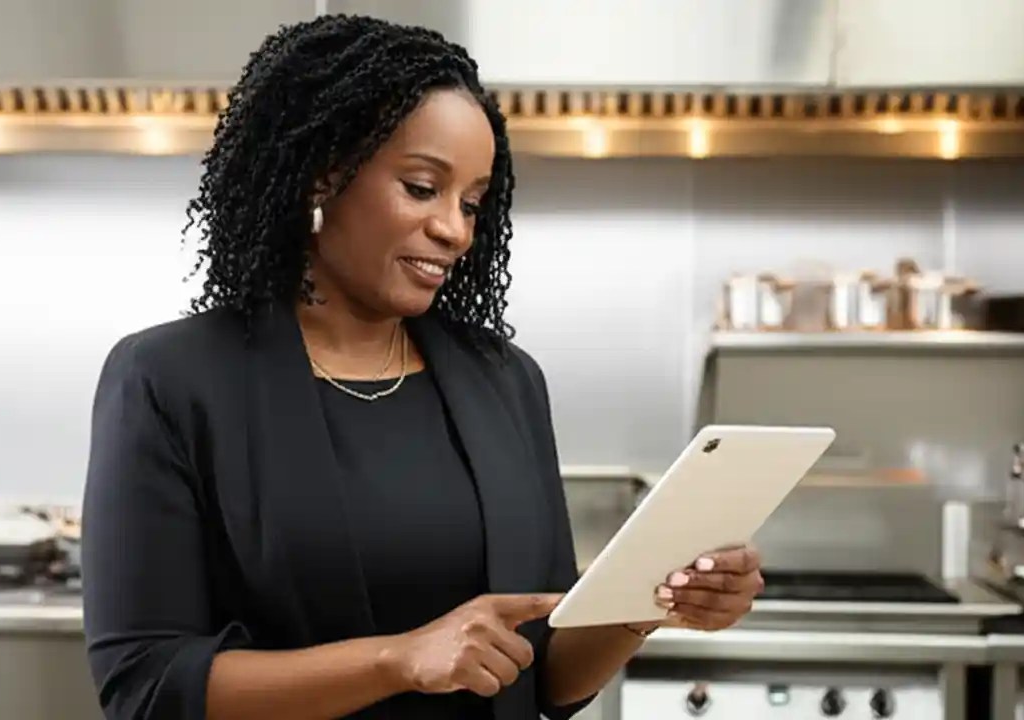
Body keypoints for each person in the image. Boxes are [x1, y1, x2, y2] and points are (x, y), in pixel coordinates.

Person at [80, 14, 764, 720]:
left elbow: (545, 677)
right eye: (420, 187)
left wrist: (648, 602)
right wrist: (398, 660)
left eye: (472, 202)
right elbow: (146, 684)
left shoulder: (504, 380)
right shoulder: (170, 378)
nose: (455, 229)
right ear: (323, 174)